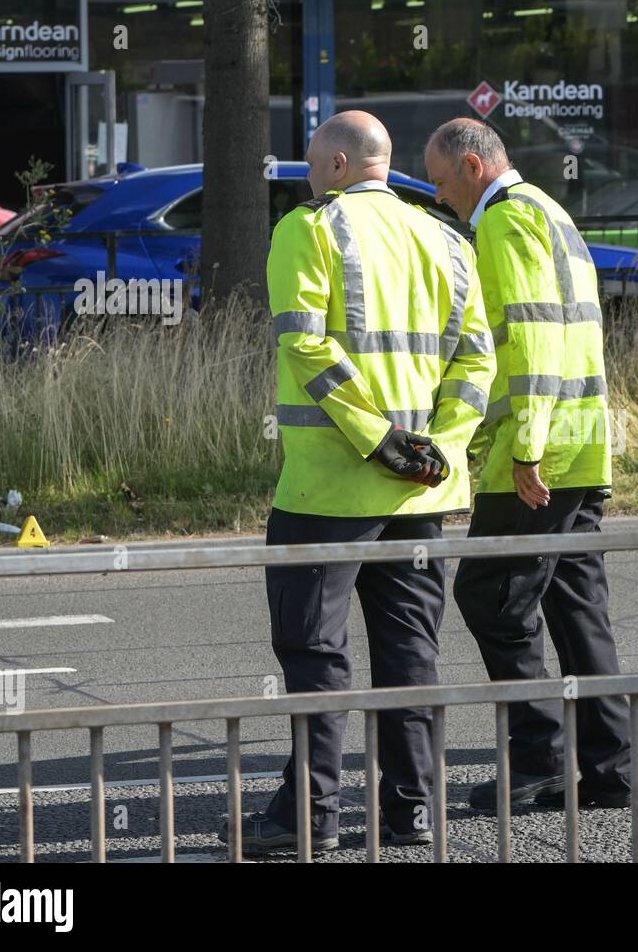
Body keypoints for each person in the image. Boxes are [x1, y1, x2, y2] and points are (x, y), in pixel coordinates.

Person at [224, 111, 495, 853]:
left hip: (328, 491)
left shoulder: (307, 231)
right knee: (411, 654)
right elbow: (478, 362)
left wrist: (379, 441)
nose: (311, 178)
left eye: (315, 165)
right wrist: (433, 447)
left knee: (315, 654)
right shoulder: (447, 238)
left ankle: (309, 816)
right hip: (423, 492)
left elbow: (306, 346)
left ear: (339, 165)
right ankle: (410, 810)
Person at [424, 117, 631, 812]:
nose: (438, 192)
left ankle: (539, 759)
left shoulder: (506, 222)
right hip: (582, 442)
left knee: (493, 596)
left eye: (442, 178)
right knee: (577, 608)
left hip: (539, 451)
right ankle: (611, 769)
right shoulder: (548, 208)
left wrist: (525, 446)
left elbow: (535, 337)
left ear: (474, 168)